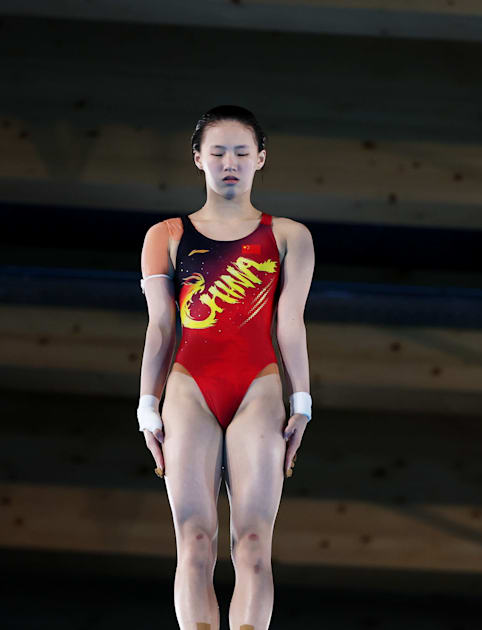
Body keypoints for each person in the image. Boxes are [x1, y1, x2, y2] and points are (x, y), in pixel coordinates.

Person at [136, 105, 315, 630]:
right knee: (194, 542)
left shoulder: (289, 236)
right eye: (218, 152)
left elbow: (290, 324)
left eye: (241, 152)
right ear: (198, 159)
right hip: (189, 387)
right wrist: (147, 407)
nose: (229, 163)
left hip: (258, 386)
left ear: (260, 158)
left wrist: (302, 403)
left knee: (254, 544)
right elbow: (161, 329)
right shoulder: (166, 235)